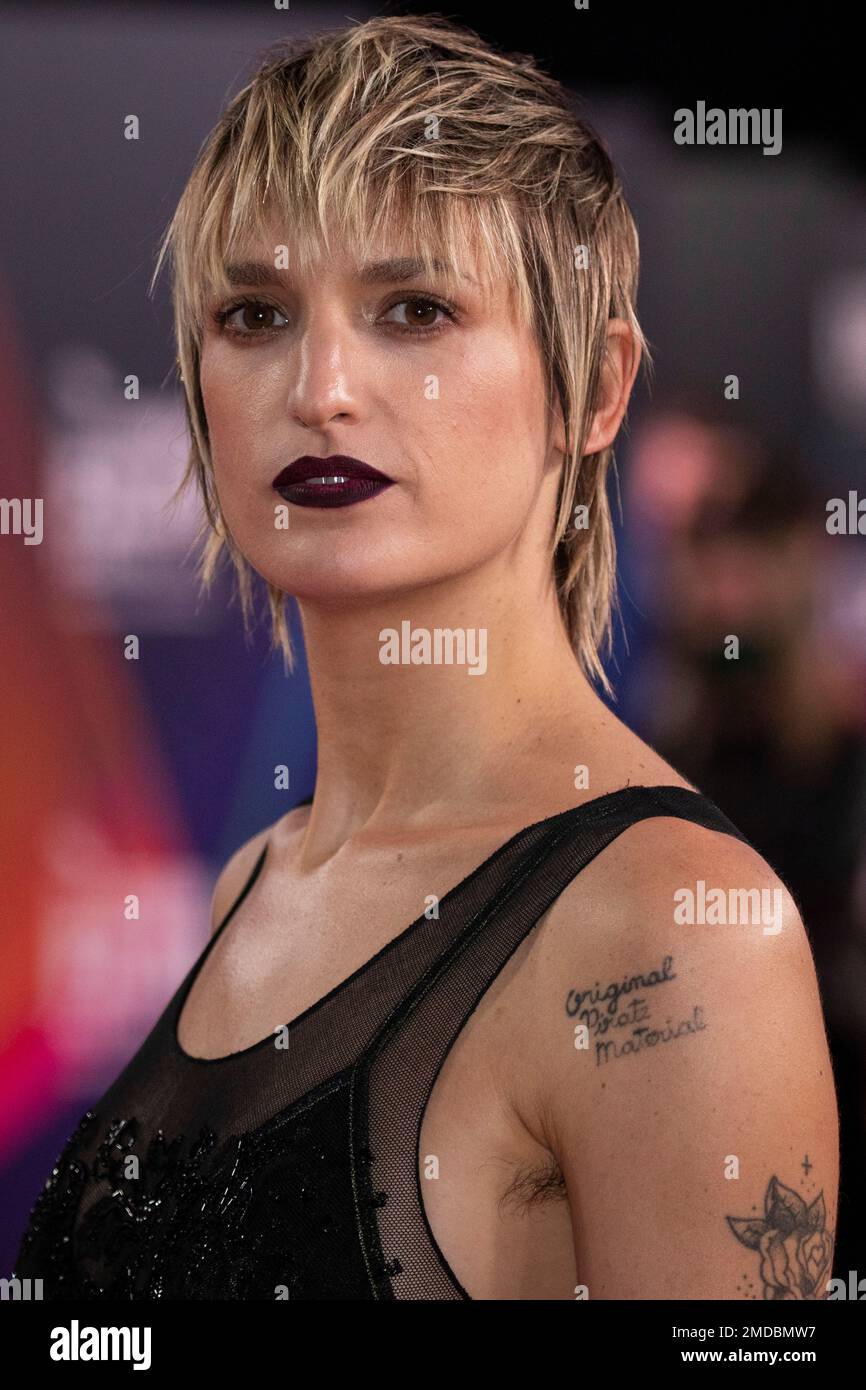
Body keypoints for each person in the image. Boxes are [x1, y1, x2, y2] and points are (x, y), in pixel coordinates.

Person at [13, 14, 838, 1300]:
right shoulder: (253, 879)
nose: (322, 385)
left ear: (594, 388)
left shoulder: (674, 936)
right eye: (255, 313)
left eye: (414, 308)